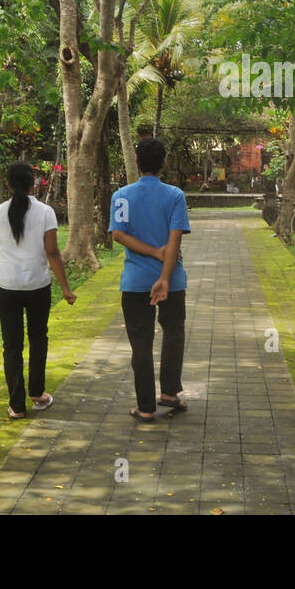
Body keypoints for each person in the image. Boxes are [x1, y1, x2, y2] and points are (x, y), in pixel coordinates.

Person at [0, 161, 76, 419]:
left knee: (11, 345)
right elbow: (52, 252)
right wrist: (66, 289)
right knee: (38, 338)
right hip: (38, 286)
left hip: (6, 286)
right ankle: (37, 394)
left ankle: (16, 406)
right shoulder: (45, 212)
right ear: (33, 182)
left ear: (8, 184)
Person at [108, 137, 190, 421]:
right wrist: (165, 275)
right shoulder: (175, 195)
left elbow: (118, 234)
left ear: (137, 163)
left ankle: (145, 407)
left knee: (141, 342)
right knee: (174, 333)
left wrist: (152, 253)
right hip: (173, 280)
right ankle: (168, 392)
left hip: (135, 281)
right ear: (164, 163)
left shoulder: (121, 195)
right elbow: (175, 238)